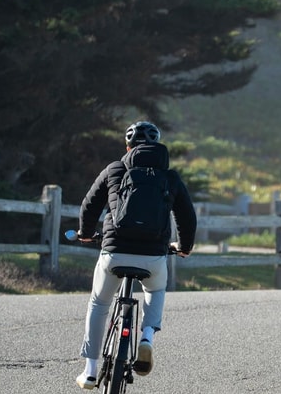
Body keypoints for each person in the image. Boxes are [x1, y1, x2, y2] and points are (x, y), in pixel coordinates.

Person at [74, 121, 196, 390]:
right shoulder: (170, 177)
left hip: (114, 252)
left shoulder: (115, 169)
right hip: (153, 255)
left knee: (99, 303)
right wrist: (183, 246)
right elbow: (187, 217)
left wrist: (85, 233)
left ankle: (91, 370)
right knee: (156, 290)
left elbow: (90, 205)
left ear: (128, 147)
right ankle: (147, 338)